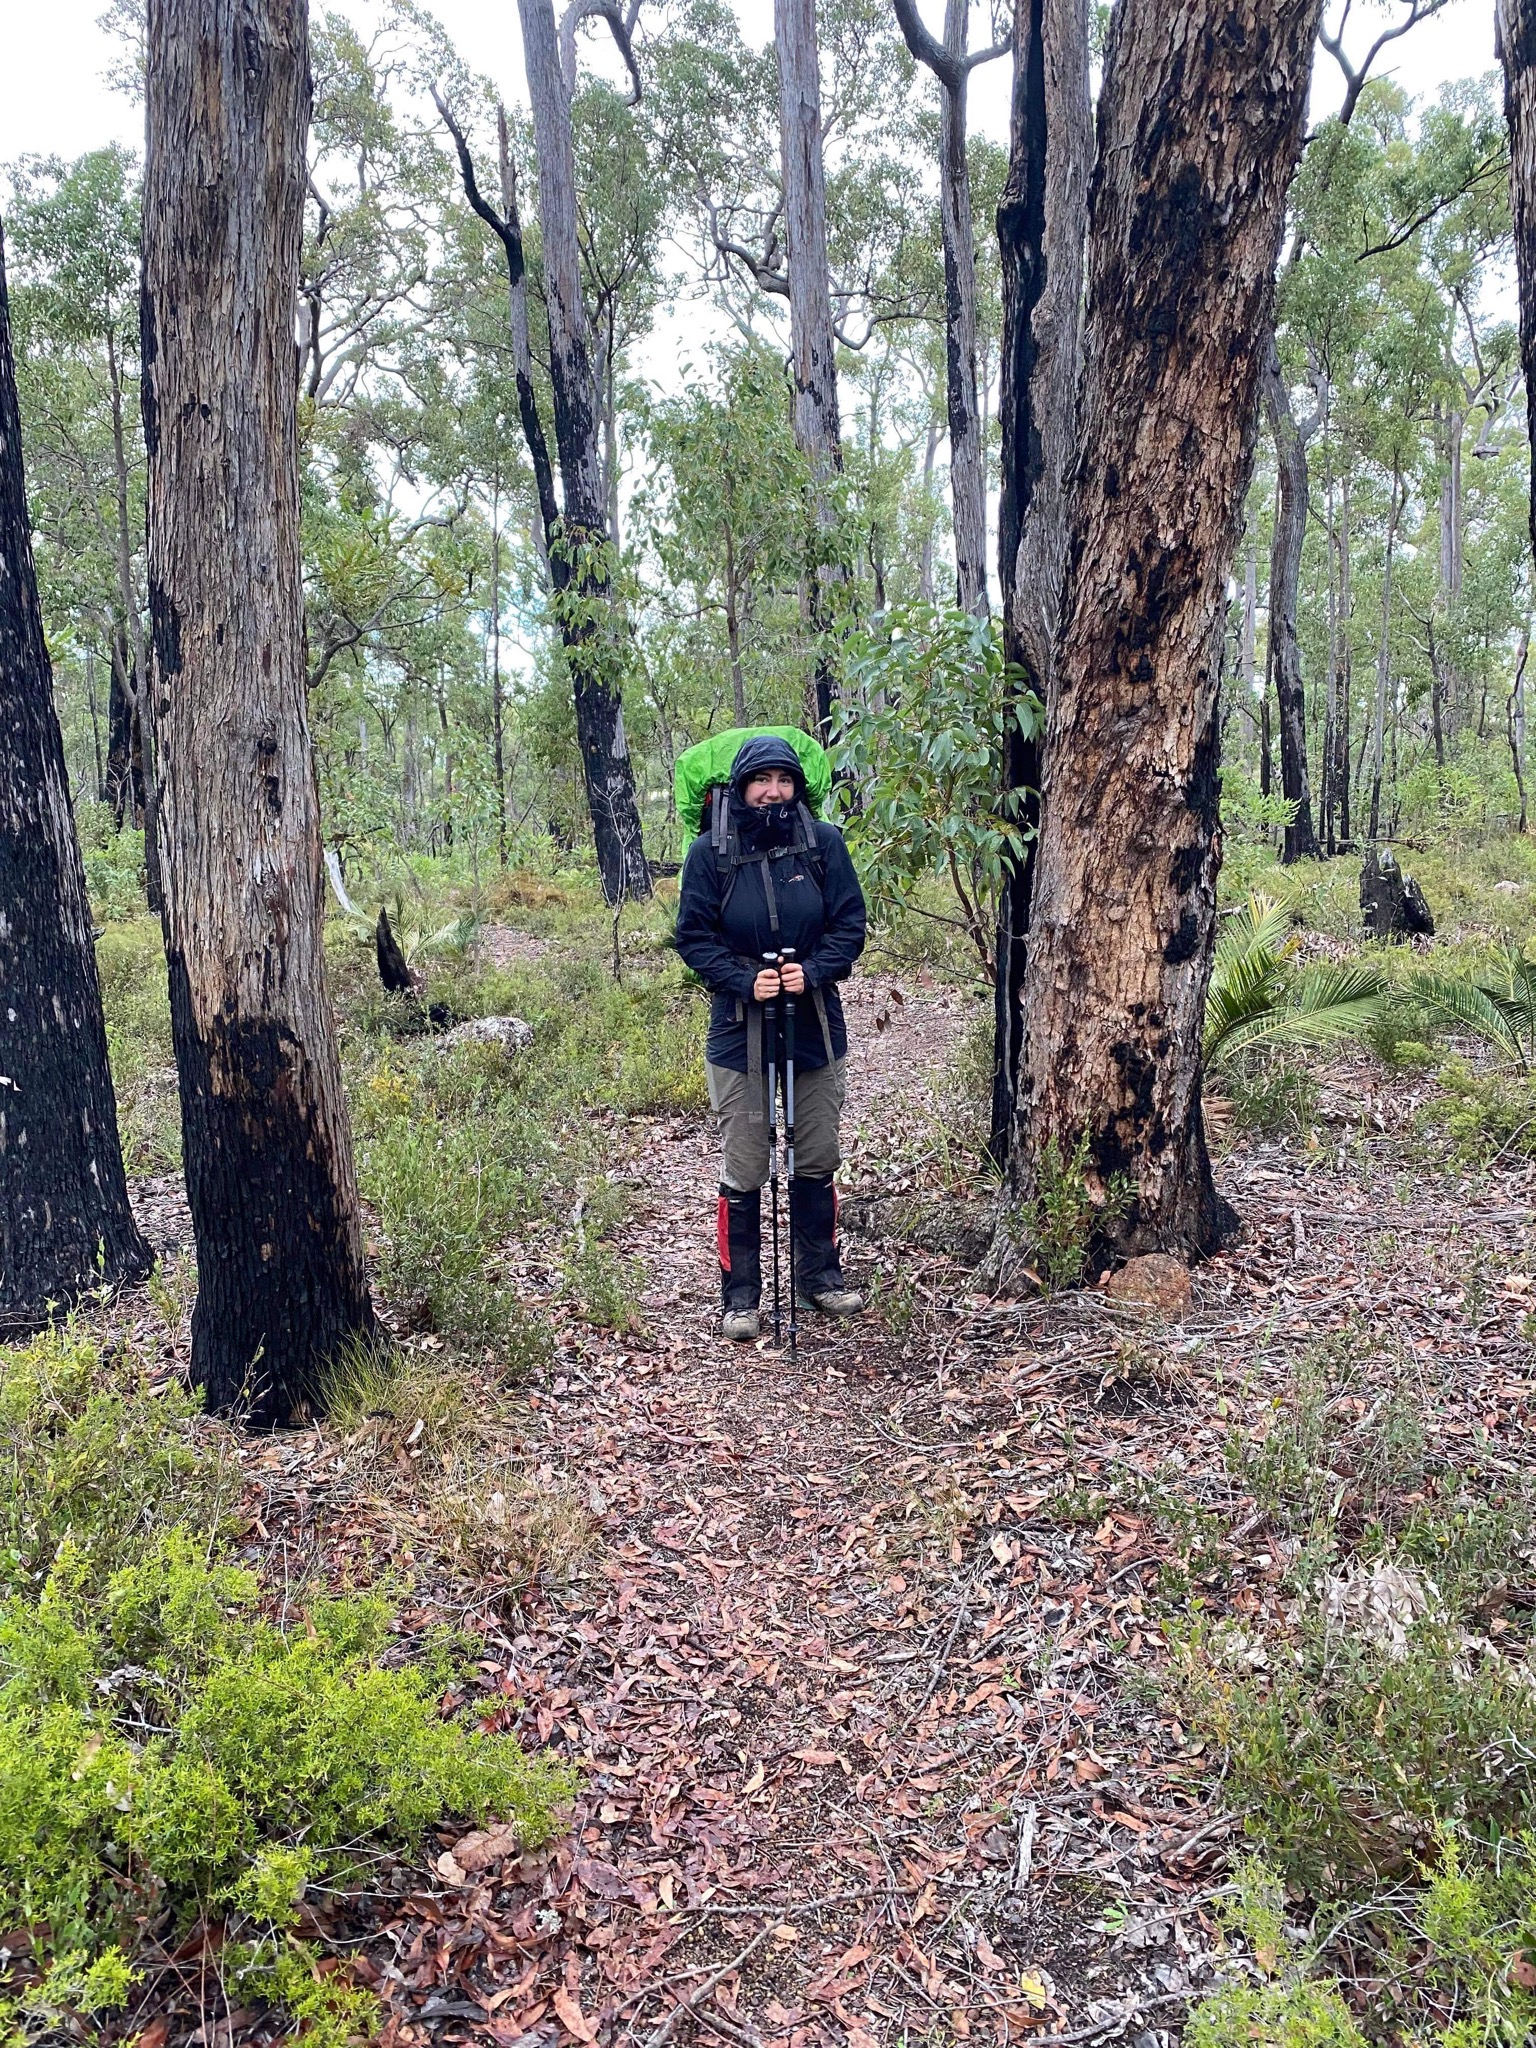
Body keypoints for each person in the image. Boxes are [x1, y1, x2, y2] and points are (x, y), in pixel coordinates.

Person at [675, 734, 868, 1341]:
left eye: (785, 780)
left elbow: (850, 924)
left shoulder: (824, 845)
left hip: (813, 1024)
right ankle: (741, 1297)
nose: (774, 792)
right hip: (740, 1033)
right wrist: (744, 980)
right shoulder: (710, 854)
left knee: (815, 1152)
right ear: (738, 789)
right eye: (762, 781)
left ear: (797, 786)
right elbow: (694, 937)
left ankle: (820, 1279)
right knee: (746, 1161)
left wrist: (810, 972)